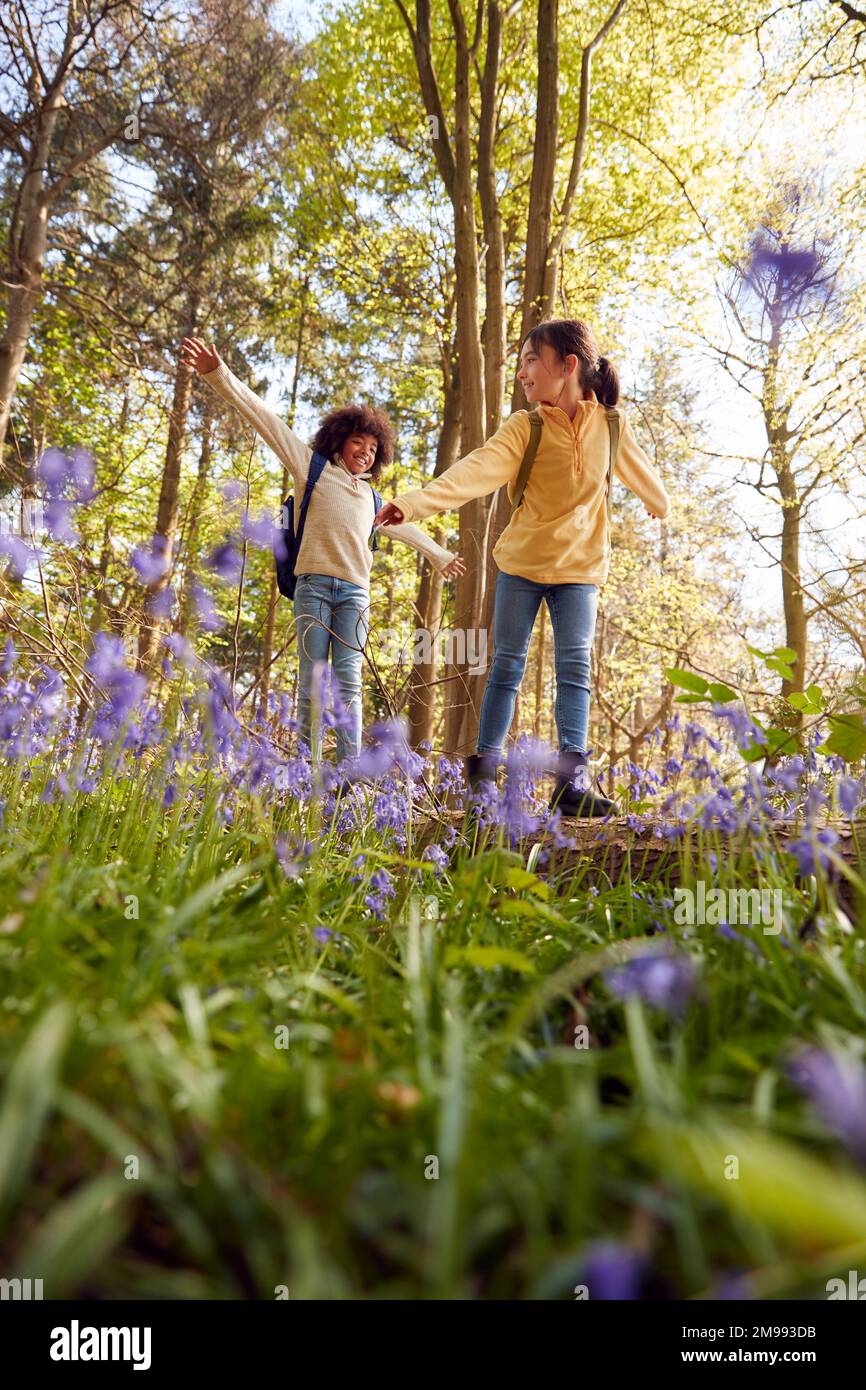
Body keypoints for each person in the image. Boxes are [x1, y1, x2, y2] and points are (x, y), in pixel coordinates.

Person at [375, 318, 670, 816]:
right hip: (522, 566)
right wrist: (413, 504)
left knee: (575, 667)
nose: (523, 375)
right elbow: (474, 470)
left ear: (567, 366)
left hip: (580, 570)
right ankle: (484, 783)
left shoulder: (611, 426)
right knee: (507, 668)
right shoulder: (525, 427)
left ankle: (570, 786)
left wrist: (657, 503)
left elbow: (645, 477)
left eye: (531, 361)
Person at [180, 337, 465, 765]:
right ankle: (307, 772)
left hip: (355, 595)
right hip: (312, 588)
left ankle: (350, 772)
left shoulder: (372, 500)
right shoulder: (310, 469)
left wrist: (439, 557)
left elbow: (406, 529)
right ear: (338, 441)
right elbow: (266, 419)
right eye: (358, 444)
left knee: (348, 679)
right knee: (312, 680)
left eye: (372, 450)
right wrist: (218, 373)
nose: (365, 454)